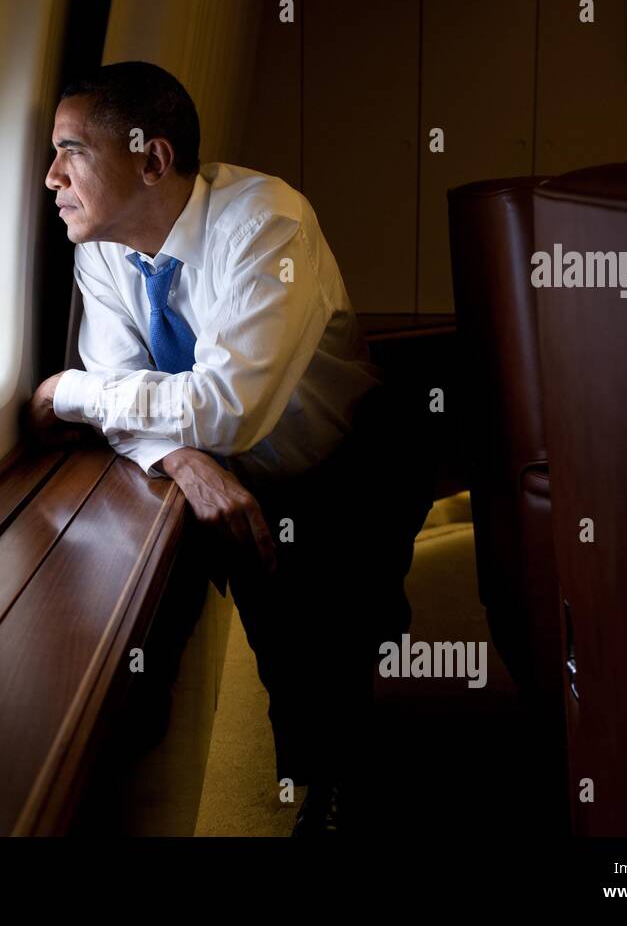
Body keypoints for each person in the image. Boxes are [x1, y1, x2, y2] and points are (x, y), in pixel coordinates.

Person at [28, 61, 432, 836]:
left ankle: (356, 768)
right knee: (283, 644)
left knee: (351, 631)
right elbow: (129, 394)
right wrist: (179, 459)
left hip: (347, 456)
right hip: (241, 469)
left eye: (71, 151)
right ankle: (322, 785)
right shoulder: (100, 249)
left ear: (152, 159)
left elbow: (224, 408)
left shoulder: (267, 224)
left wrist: (66, 391)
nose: (51, 176)